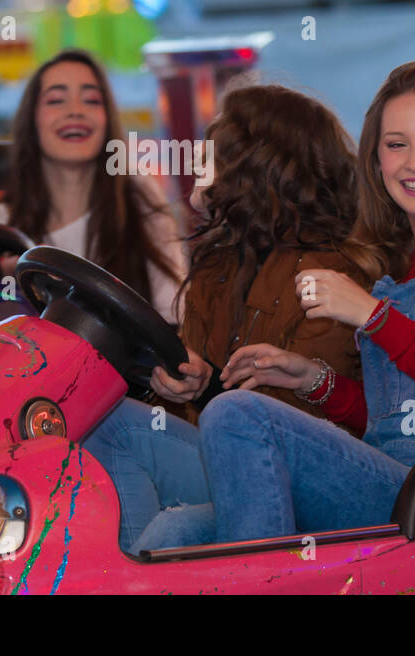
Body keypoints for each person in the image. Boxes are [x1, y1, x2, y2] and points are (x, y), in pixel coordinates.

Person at [198, 59, 415, 543]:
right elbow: (397, 419)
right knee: (176, 528)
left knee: (235, 414)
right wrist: (312, 380)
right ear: (376, 160)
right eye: (397, 145)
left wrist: (372, 315)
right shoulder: (403, 253)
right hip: (394, 474)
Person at [83, 84, 367, 553]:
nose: (198, 160)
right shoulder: (216, 267)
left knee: (160, 503)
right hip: (227, 453)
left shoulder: (331, 274)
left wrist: (211, 391)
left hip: (298, 475)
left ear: (258, 168)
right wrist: (186, 384)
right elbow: (211, 401)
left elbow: (305, 429)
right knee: (108, 424)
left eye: (214, 152)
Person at [0, 49, 186, 323]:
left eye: (92, 100)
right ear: (31, 121)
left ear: (107, 121)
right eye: (56, 100)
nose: (75, 111)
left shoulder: (138, 198)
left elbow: (173, 314)